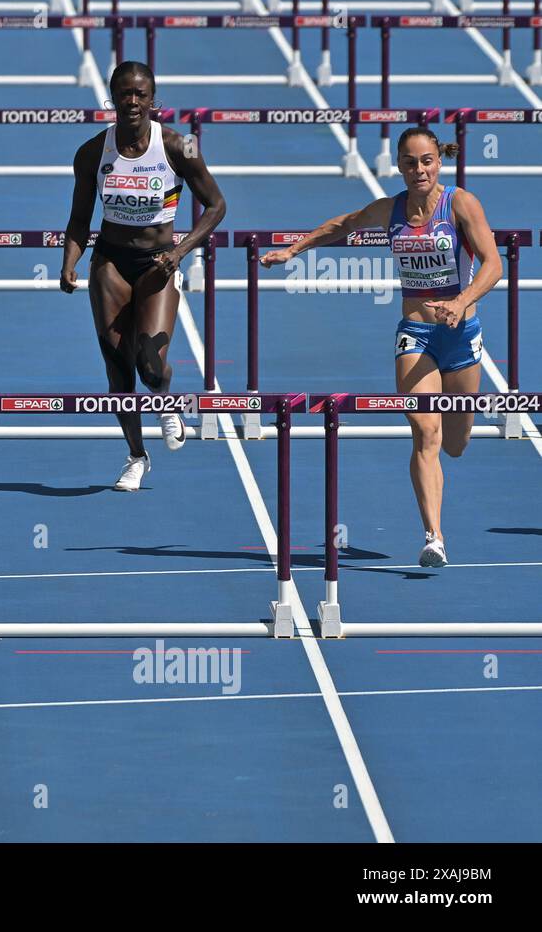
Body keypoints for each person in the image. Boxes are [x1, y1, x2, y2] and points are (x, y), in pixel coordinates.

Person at [260, 126, 501, 567]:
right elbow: (343, 224)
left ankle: (444, 483)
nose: (419, 169)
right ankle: (434, 536)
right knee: (425, 432)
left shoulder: (460, 204)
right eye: (410, 162)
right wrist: (293, 250)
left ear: (438, 162)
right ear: (399, 166)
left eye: (426, 160)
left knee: (456, 443)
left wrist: (462, 301)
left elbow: (494, 263)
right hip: (416, 334)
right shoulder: (391, 210)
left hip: (462, 334)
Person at [60, 61, 227, 491]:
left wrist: (180, 252)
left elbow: (216, 205)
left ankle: (165, 400)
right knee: (118, 369)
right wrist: (69, 262)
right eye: (124, 93)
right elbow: (80, 219)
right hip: (110, 264)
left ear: (154, 100)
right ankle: (136, 456)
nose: (132, 101)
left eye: (140, 94)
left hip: (157, 265)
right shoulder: (93, 152)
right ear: (112, 99)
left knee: (151, 367)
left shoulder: (178, 147)